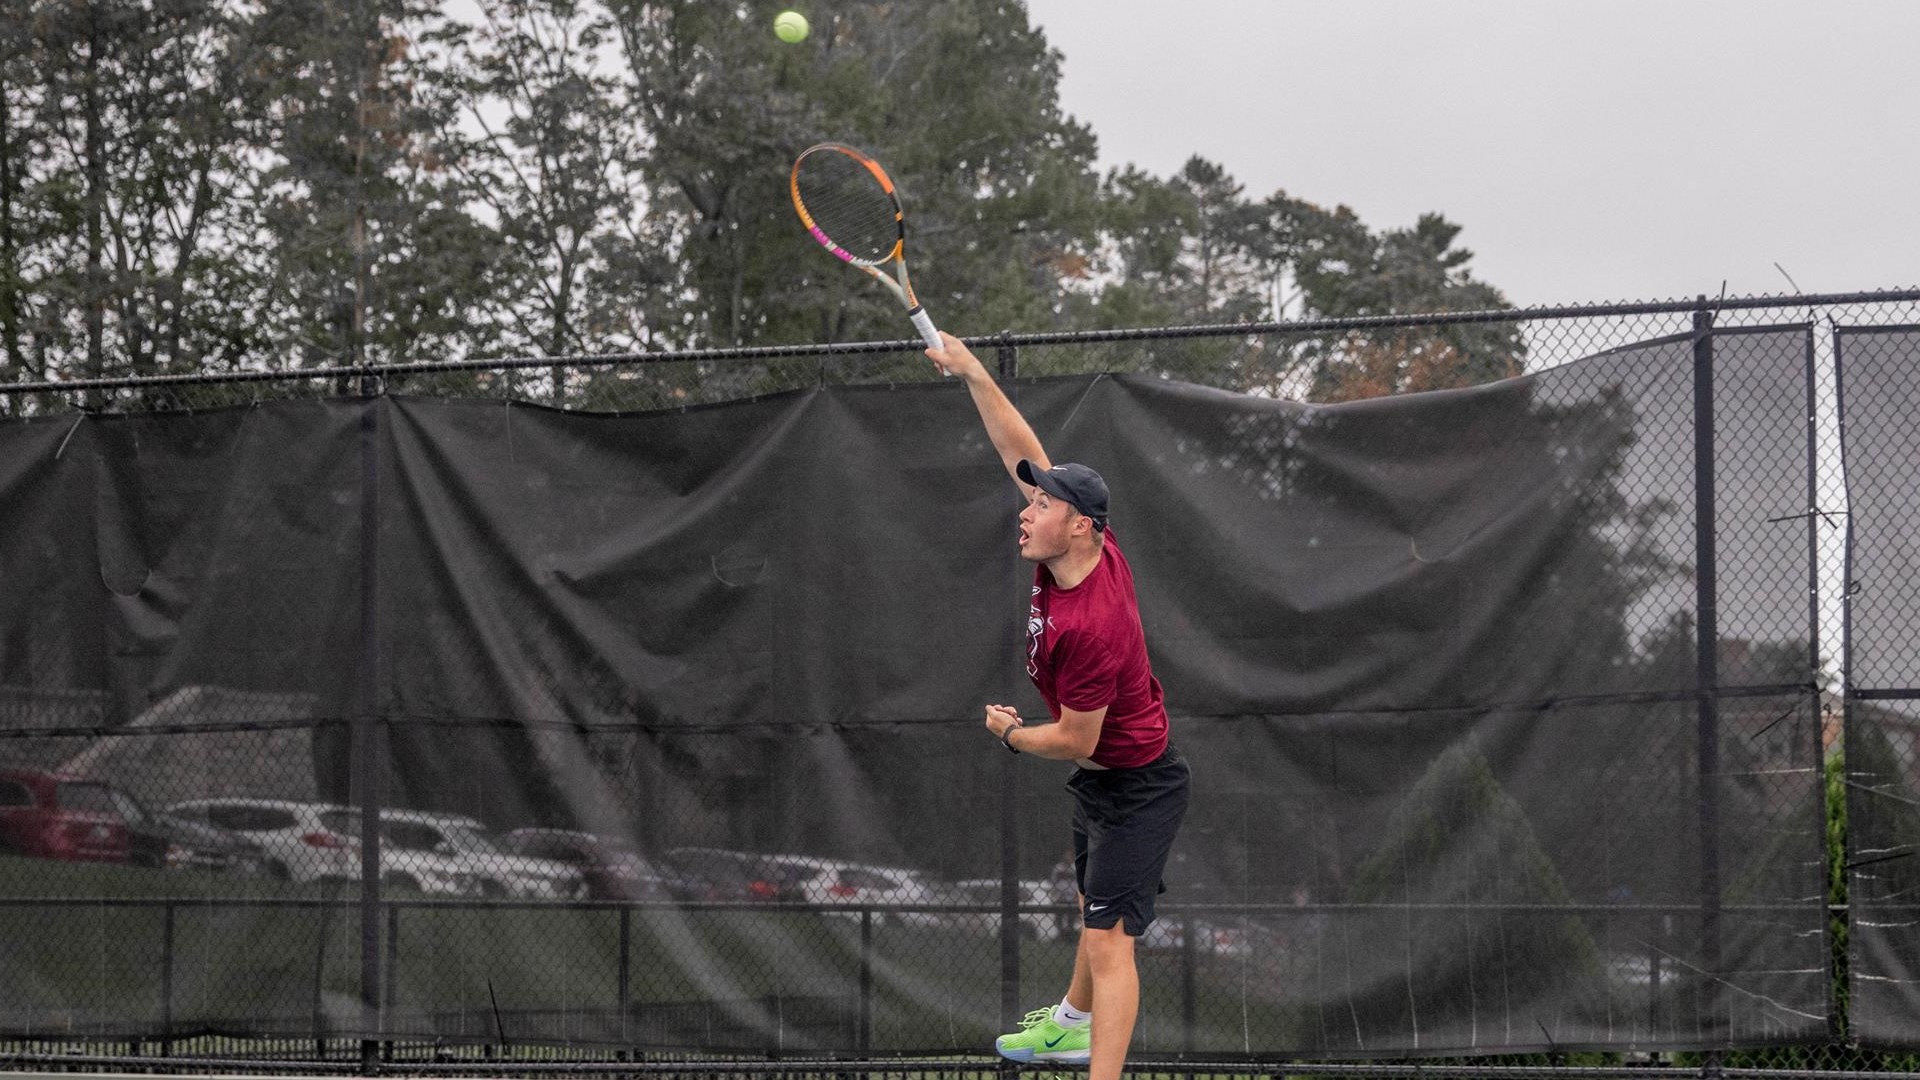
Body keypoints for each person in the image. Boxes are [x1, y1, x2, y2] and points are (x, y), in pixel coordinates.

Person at [926, 332, 1191, 1080]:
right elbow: (1021, 449)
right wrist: (974, 372)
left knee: (1109, 941)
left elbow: (1077, 740)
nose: (1025, 512)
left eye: (1041, 505)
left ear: (1077, 525)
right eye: (1032, 499)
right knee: (1089, 910)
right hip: (1105, 783)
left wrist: (1011, 736)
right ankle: (1070, 1028)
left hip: (1139, 786)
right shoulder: (1084, 547)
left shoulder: (1092, 626)